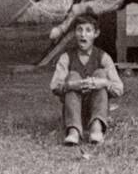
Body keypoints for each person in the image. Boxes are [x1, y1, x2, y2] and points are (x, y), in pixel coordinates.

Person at [50, 15, 124, 145]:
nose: (83, 35)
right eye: (79, 30)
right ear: (75, 33)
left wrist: (103, 83)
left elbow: (119, 89)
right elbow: (55, 86)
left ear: (96, 34)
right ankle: (73, 131)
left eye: (88, 30)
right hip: (72, 110)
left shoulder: (103, 57)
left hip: (97, 110)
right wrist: (72, 85)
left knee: (100, 74)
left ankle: (96, 129)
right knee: (72, 75)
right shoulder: (66, 57)